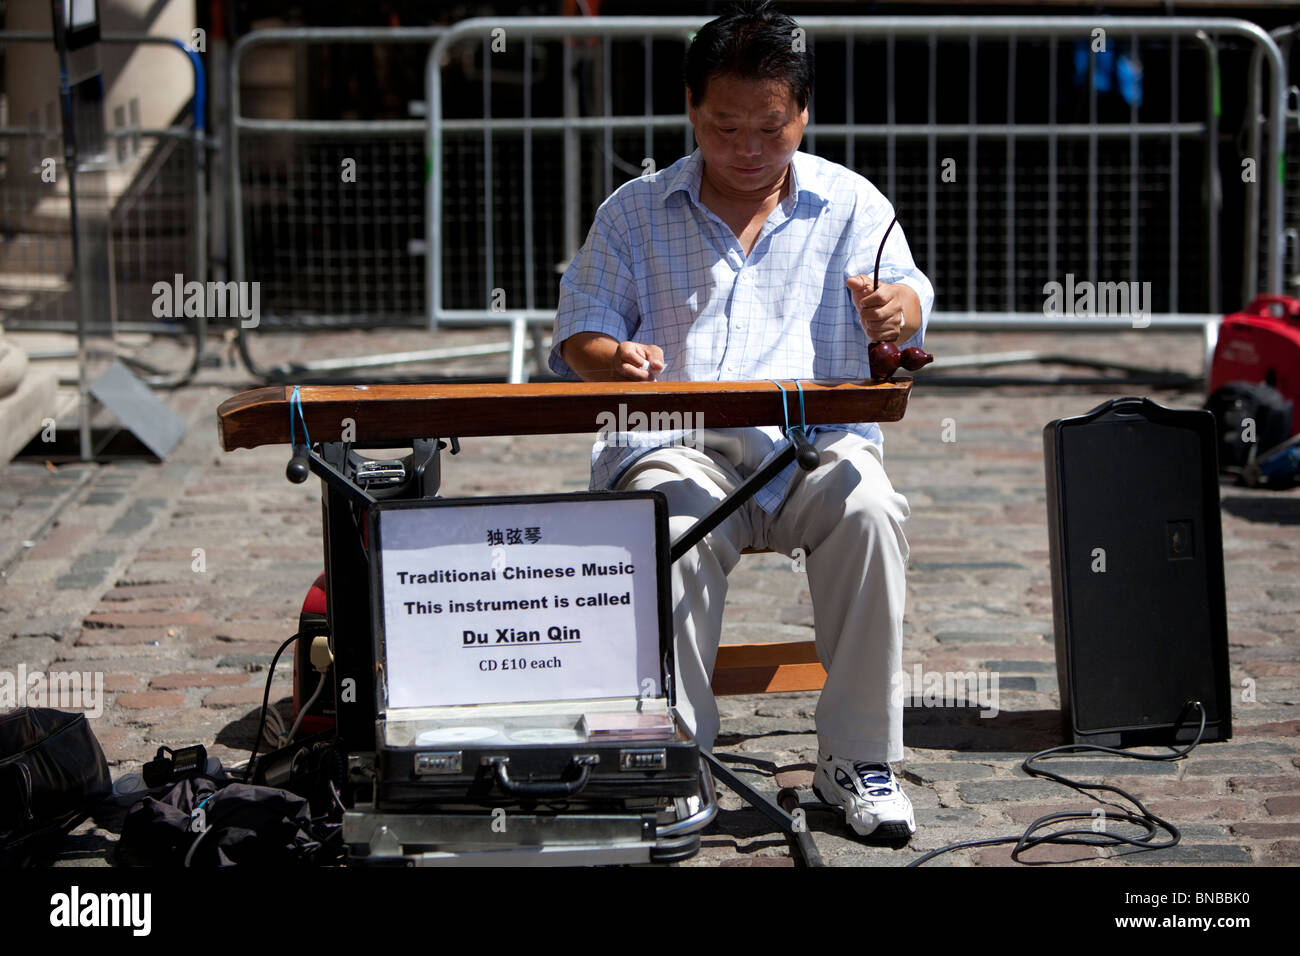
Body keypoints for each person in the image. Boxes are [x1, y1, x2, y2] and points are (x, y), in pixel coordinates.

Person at [549, 1, 933, 840]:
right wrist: (613, 358)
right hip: (680, 444)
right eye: (725, 129)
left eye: (771, 128)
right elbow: (579, 328)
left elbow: (908, 290)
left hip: (812, 447)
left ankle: (858, 758)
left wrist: (892, 316)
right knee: (667, 524)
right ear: (691, 109)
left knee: (872, 511)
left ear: (803, 114)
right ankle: (678, 757)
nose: (749, 151)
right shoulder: (635, 210)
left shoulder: (849, 203)